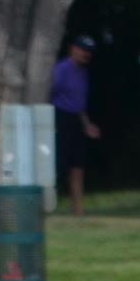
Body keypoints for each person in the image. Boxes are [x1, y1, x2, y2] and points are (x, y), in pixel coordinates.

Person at [50, 35, 102, 216]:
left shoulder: (83, 73)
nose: (86, 54)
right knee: (57, 165)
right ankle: (48, 207)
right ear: (73, 49)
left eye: (89, 52)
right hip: (60, 117)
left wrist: (87, 124)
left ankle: (78, 211)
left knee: (78, 167)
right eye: (82, 49)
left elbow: (80, 104)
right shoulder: (61, 69)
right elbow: (50, 94)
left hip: (77, 120)